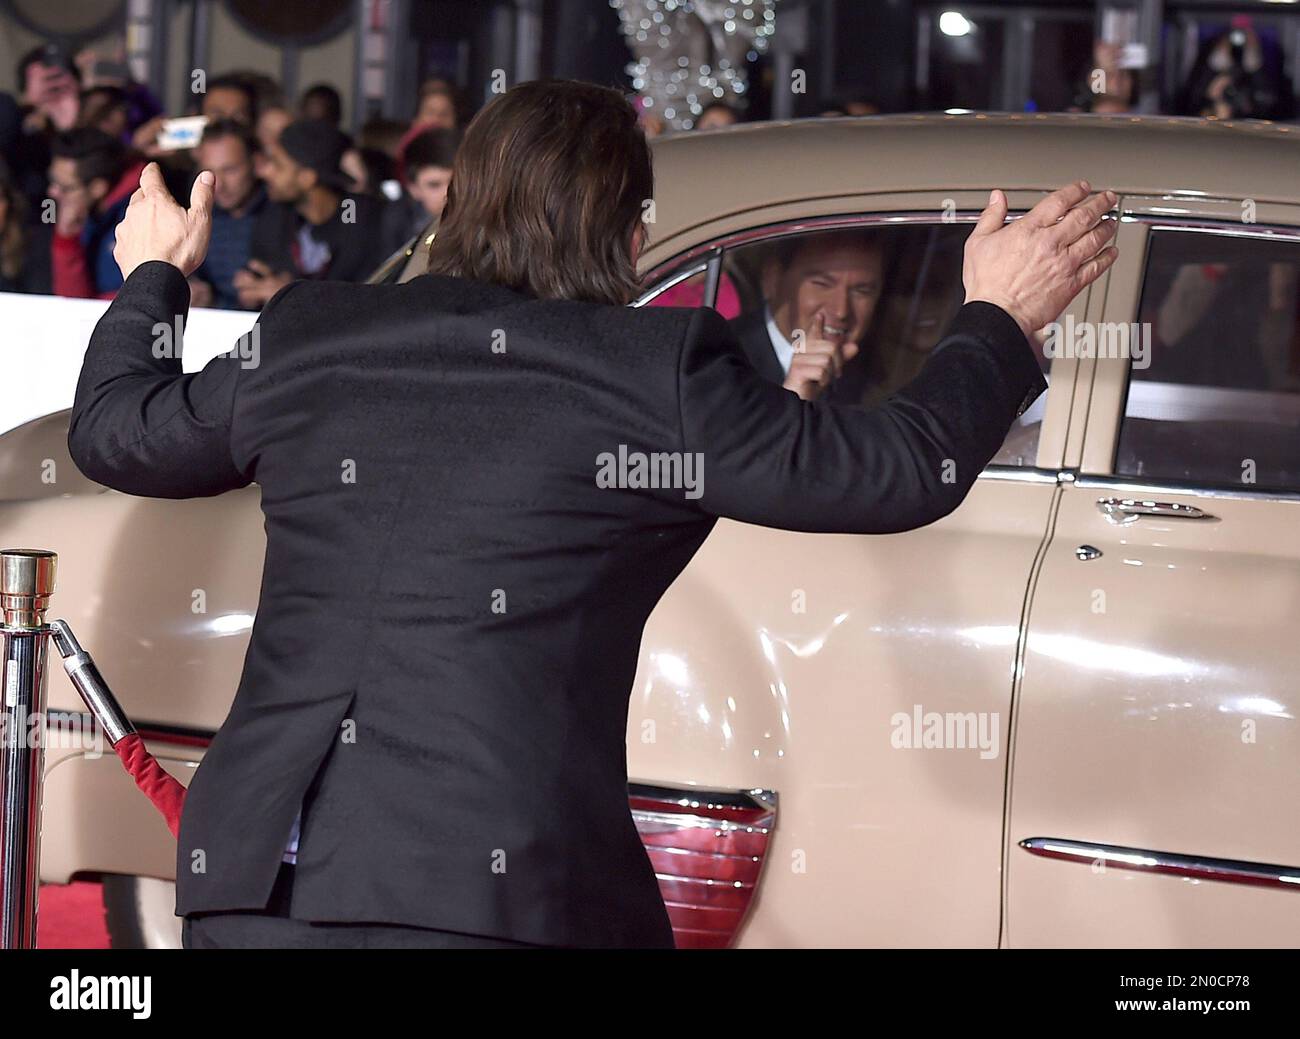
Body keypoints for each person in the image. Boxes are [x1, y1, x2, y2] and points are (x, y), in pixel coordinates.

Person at [67, 79, 1115, 949]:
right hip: (490, 900)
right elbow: (894, 472)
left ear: (457, 206)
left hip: (253, 888)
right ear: (627, 229)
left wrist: (157, 272)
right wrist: (1001, 316)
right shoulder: (648, 369)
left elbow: (116, 432)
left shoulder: (314, 330)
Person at [236, 118, 396, 308]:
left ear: (307, 178)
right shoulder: (272, 220)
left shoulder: (368, 224)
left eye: (277, 165)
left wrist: (294, 297)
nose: (265, 172)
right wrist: (252, 288)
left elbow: (373, 304)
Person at [728, 230, 885, 402]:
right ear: (772, 279)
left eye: (861, 291)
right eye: (822, 284)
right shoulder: (717, 359)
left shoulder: (882, 375)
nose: (841, 311)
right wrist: (795, 396)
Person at [48, 126, 145, 298]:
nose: (52, 192)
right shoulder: (78, 216)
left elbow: (138, 300)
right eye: (52, 181)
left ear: (97, 188)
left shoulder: (142, 218)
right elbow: (70, 302)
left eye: (65, 188)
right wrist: (67, 241)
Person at [189, 119, 266, 308]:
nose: (219, 184)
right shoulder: (198, 215)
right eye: (209, 171)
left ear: (256, 163)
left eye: (230, 170)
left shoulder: (286, 214)